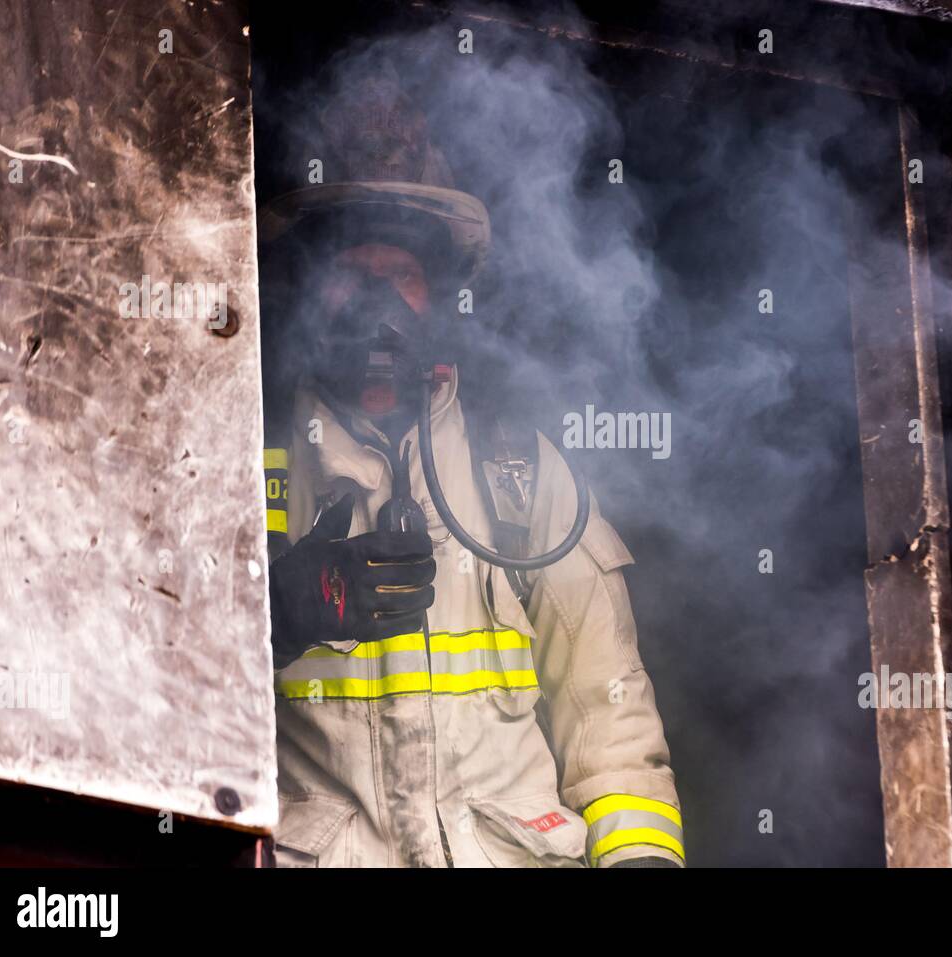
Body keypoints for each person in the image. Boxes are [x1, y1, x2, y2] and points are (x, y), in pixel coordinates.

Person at [256, 92, 683, 868]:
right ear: (308, 290)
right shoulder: (239, 466)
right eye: (351, 273)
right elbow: (149, 713)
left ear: (441, 296)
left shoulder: (519, 472)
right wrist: (271, 613)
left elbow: (611, 726)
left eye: (404, 274)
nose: (380, 301)